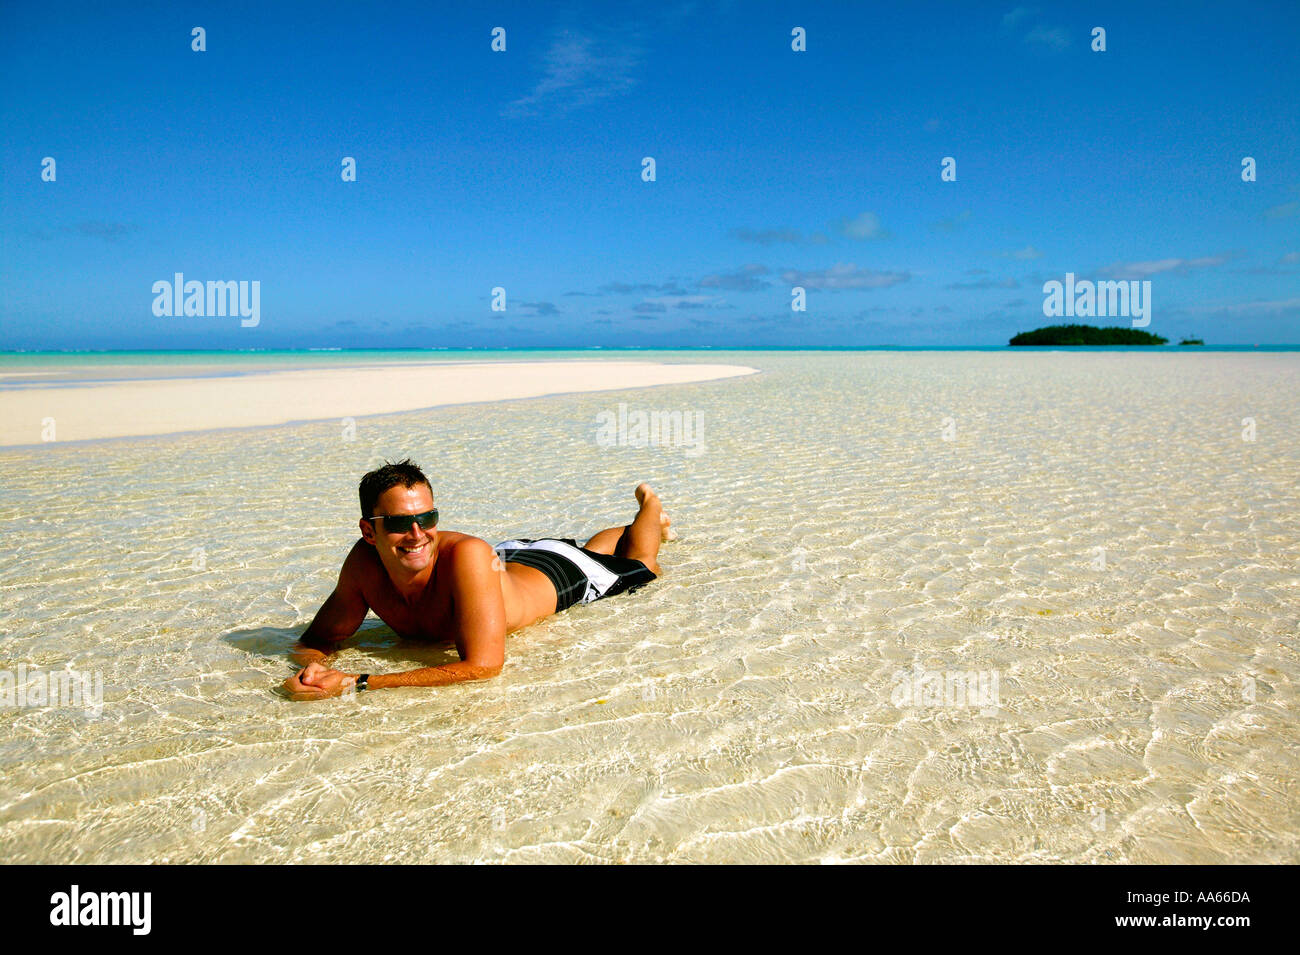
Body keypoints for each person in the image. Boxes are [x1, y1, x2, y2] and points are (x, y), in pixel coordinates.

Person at [283, 459, 672, 700]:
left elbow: (484, 666)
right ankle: (632, 525)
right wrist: (312, 672)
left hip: (559, 573)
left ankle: (650, 509)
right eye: (400, 524)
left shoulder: (465, 554)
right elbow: (317, 641)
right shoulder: (363, 565)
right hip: (506, 557)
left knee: (642, 565)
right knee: (594, 551)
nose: (418, 534)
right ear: (369, 532)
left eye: (428, 518)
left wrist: (359, 682)